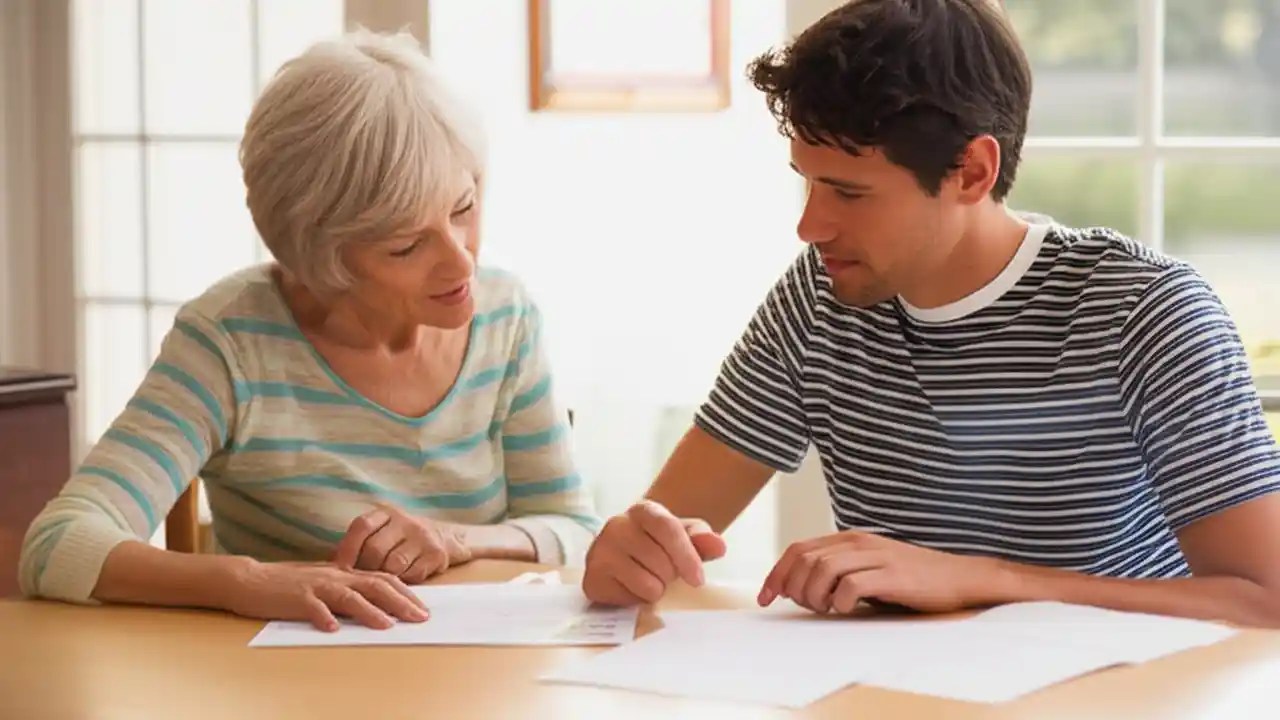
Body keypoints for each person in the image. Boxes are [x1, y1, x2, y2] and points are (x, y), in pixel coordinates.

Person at [582, 0, 1280, 627]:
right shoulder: (819, 297)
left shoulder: (1146, 311)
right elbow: (666, 532)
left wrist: (981, 580)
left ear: (972, 172)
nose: (809, 226)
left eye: (849, 193)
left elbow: (1264, 598)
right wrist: (631, 552)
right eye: (808, 183)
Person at [19, 30, 599, 631]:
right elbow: (58, 544)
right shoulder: (232, 343)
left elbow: (576, 530)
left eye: (464, 207)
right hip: (291, 674)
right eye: (406, 246)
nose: (461, 262)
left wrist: (456, 539)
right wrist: (248, 582)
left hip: (484, 670)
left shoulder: (506, 317)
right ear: (322, 256)